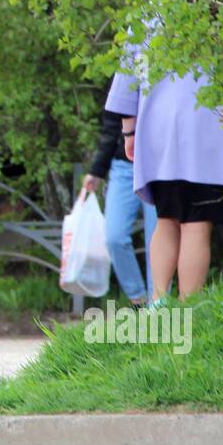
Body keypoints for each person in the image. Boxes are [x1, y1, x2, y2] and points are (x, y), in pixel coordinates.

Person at [106, 35, 223, 307]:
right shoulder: (219, 3)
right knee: (196, 224)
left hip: (158, 134)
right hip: (208, 133)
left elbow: (126, 84)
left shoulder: (146, 15)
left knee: (167, 219)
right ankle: (187, 308)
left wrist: (130, 132)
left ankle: (158, 303)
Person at [82, 85, 156, 304]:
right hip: (124, 168)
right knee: (114, 236)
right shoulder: (125, 73)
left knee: (158, 240)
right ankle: (139, 300)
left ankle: (159, 303)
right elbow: (111, 128)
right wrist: (96, 171)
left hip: (158, 166)